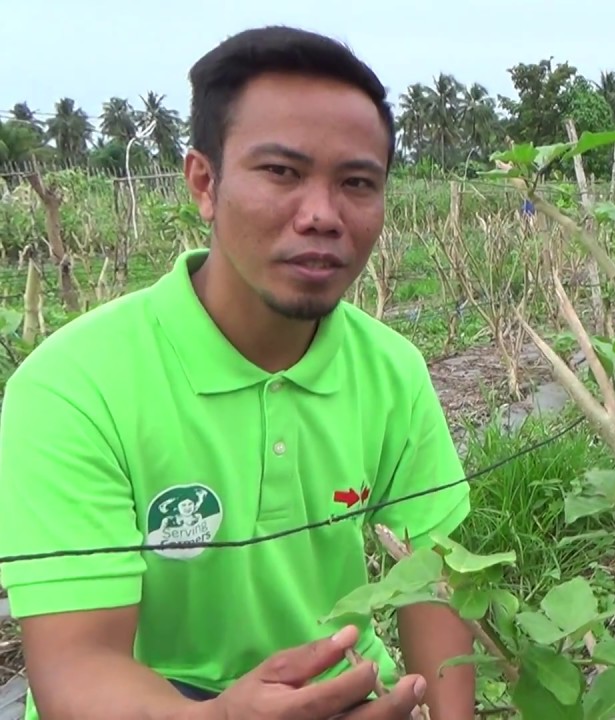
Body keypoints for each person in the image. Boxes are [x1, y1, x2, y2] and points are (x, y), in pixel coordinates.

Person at [0, 26, 476, 720]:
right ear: (205, 182)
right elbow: (76, 666)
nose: (322, 215)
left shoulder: (392, 371)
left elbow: (434, 587)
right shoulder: (74, 386)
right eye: (281, 172)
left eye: (357, 183)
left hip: (339, 694)